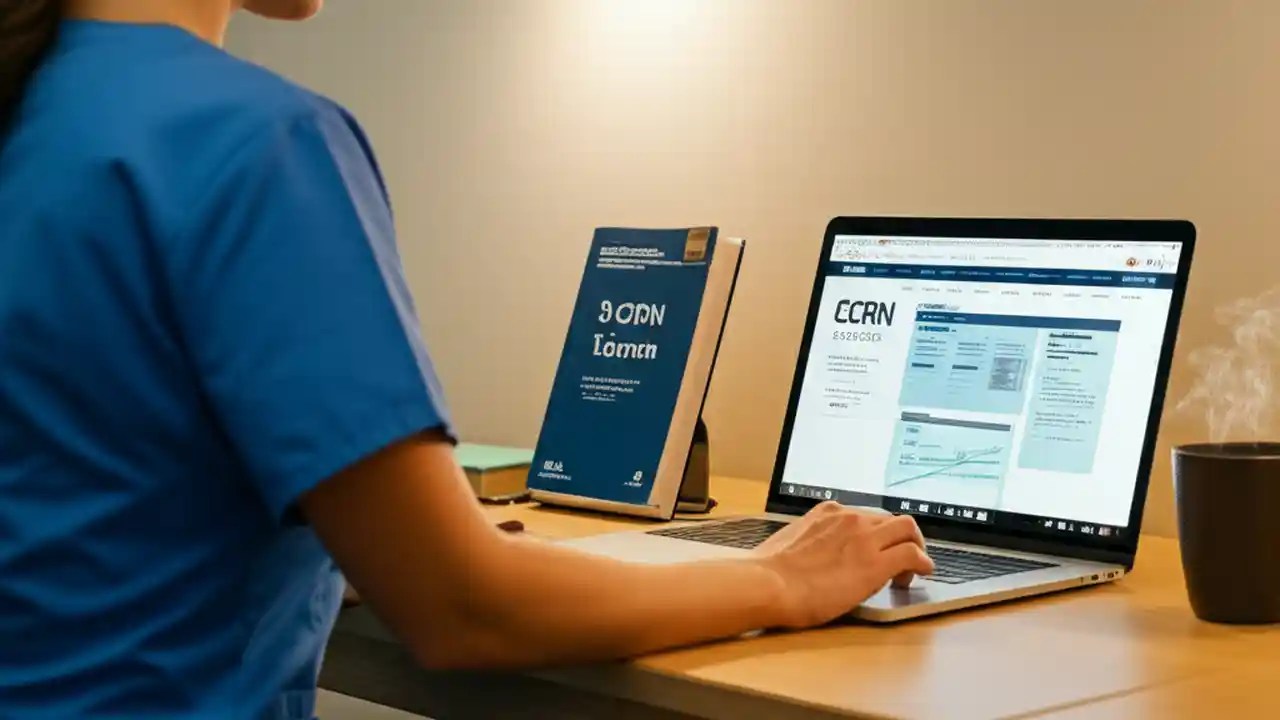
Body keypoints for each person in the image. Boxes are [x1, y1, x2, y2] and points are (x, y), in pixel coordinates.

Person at [0, 0, 935, 717]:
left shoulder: (41, 115)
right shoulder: (251, 141)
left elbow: (87, 497)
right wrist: (785, 577)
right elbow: (461, 609)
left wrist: (367, 543)